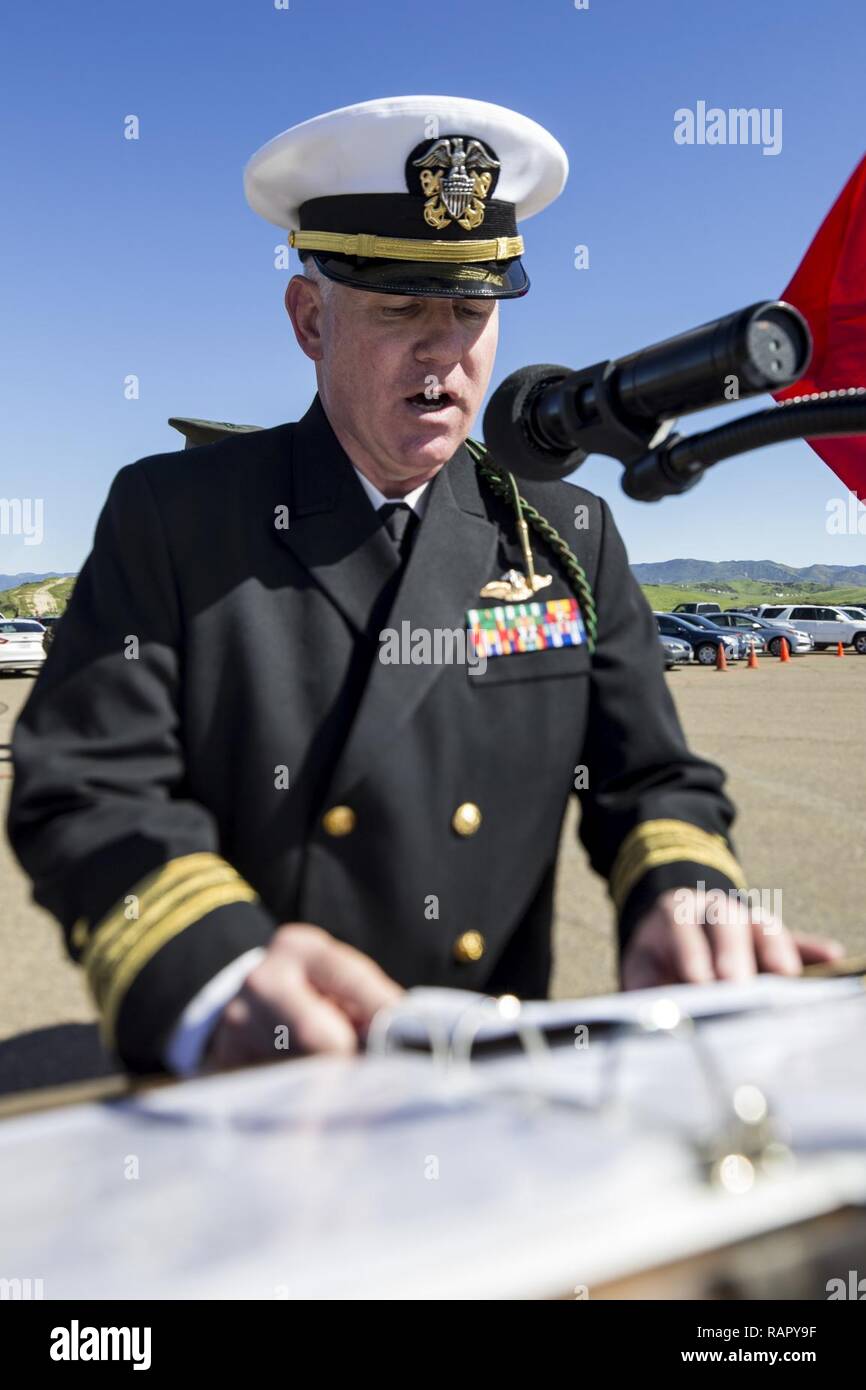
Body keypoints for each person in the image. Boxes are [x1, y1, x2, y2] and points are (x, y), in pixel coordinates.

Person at [7, 95, 841, 1076]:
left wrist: (682, 891)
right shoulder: (178, 515)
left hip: (488, 1078)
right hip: (257, 1081)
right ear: (309, 318)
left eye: (471, 310)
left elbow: (647, 777)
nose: (443, 351)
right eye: (400, 308)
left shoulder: (563, 530)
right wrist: (213, 971)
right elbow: (89, 782)